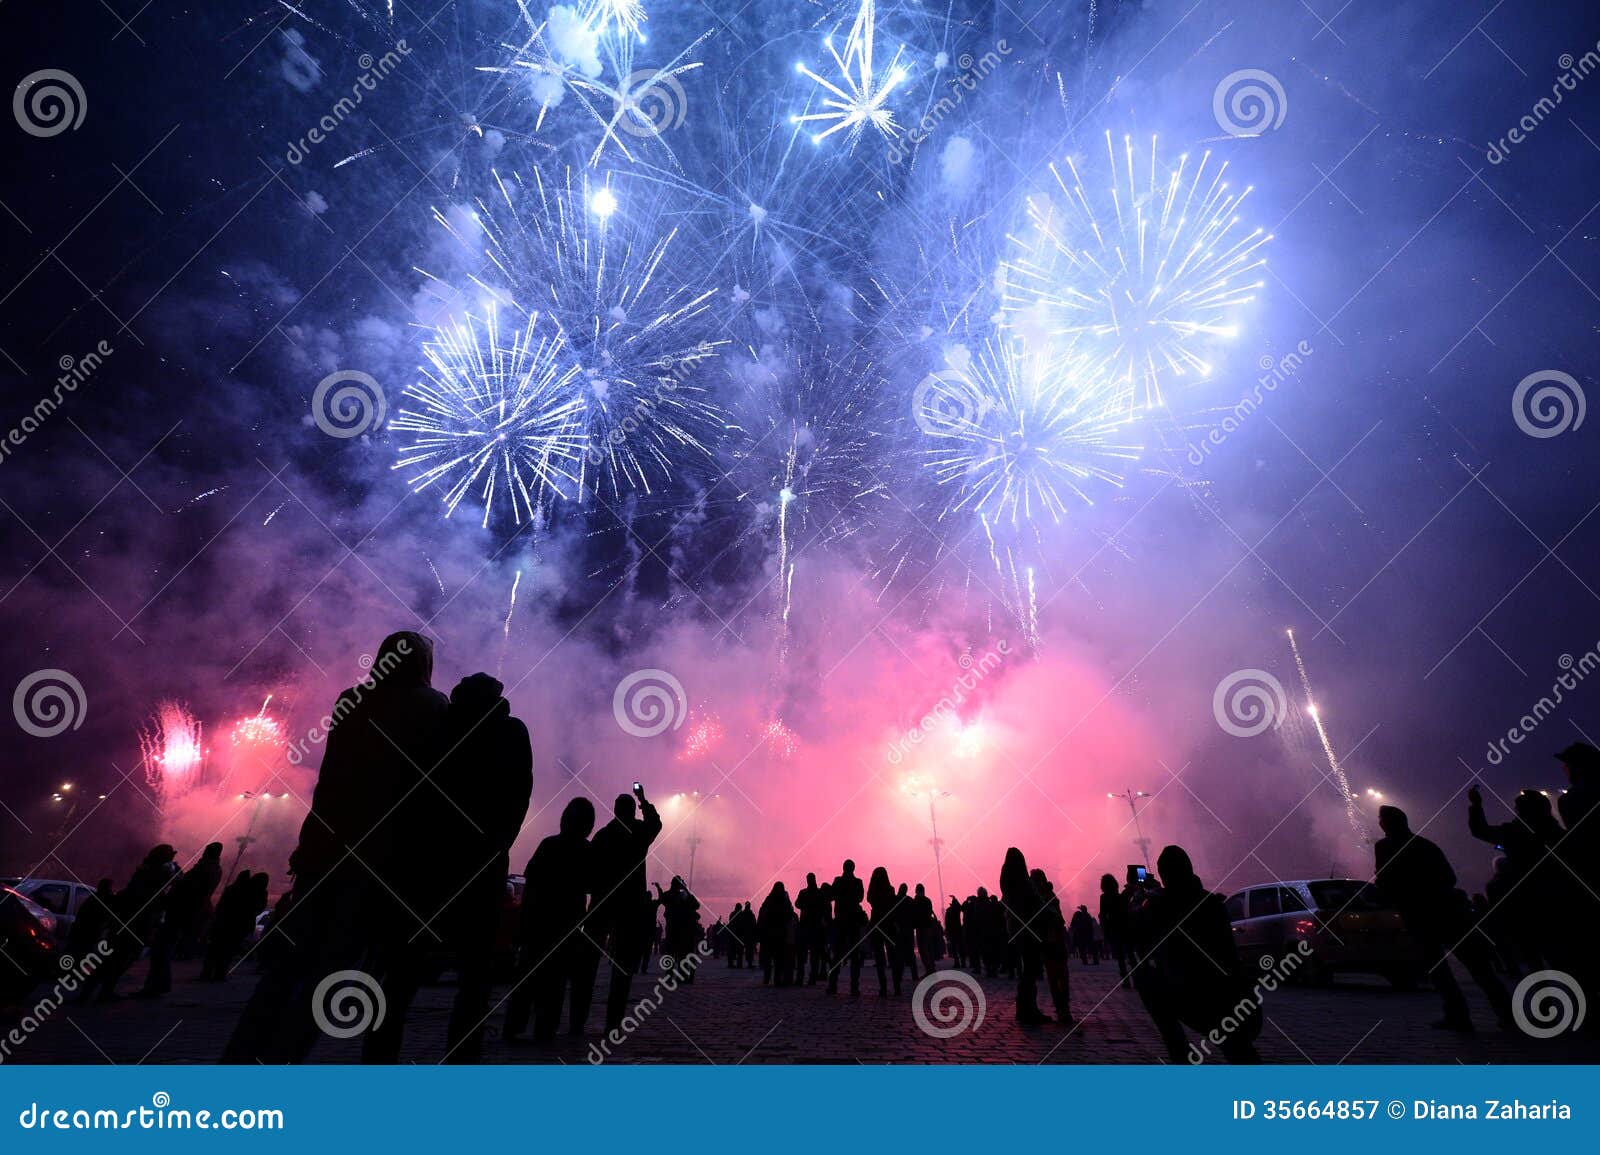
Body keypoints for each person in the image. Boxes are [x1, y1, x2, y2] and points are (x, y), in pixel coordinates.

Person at [224, 631, 449, 1063]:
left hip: (324, 850)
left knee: (286, 967)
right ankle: (285, 1060)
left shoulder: (352, 700)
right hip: (379, 860)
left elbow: (330, 781)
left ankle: (239, 1058)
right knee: (333, 972)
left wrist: (310, 841)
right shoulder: (434, 706)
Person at [366, 672, 533, 1063]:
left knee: (401, 975)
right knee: (474, 979)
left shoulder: (437, 724)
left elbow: (406, 788)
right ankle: (462, 1061)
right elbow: (519, 795)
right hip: (481, 866)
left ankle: (378, 1062)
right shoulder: (511, 731)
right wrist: (498, 845)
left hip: (425, 864)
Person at [1373, 805, 1510, 1033]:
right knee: (1479, 967)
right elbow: (1449, 877)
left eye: (1381, 819)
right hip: (1449, 913)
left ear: (1386, 823)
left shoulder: (1385, 846)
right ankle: (1507, 1013)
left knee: (1439, 970)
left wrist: (1400, 895)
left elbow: (1385, 878)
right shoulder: (1426, 845)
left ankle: (1457, 1015)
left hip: (1419, 915)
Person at [1133, 845, 1260, 1063]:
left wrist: (1143, 898)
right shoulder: (1212, 902)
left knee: (1144, 976)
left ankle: (1180, 1054)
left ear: (1164, 876)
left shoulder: (1158, 906)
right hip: (1236, 998)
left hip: (1195, 996)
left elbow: (1138, 936)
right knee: (1237, 1047)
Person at [506, 797, 595, 1043]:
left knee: (527, 977)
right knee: (556, 981)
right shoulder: (587, 851)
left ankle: (514, 1025)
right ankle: (545, 1028)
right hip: (567, 923)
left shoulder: (548, 844)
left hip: (539, 920)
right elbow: (592, 884)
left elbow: (531, 879)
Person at [1466, 786, 1570, 972]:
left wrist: (1476, 805)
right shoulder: (1557, 834)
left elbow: (1480, 830)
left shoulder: (1514, 833)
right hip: (1559, 902)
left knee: (1534, 958)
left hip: (1526, 905)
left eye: (1518, 808)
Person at [585, 786, 662, 1034]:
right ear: (633, 811)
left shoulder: (602, 836)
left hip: (602, 902)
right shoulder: (639, 833)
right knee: (622, 968)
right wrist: (643, 800)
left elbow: (589, 873)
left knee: (587, 964)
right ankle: (613, 1021)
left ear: (615, 810)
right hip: (630, 906)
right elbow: (656, 824)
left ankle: (578, 1019)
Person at [80, 843, 178, 1002]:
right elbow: (151, 898)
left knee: (112, 960)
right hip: (133, 925)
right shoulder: (152, 876)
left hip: (127, 923)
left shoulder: (146, 872)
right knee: (117, 960)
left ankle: (92, 992)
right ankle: (99, 992)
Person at [139, 841, 224, 997]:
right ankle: (156, 985)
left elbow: (189, 888)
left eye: (207, 850)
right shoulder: (211, 869)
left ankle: (157, 986)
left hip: (180, 911)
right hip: (184, 912)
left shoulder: (205, 869)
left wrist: (176, 878)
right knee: (163, 949)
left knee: (161, 950)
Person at [999, 848, 1048, 1025]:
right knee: (1031, 970)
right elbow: (1035, 903)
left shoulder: (1007, 881)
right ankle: (1028, 1009)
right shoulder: (1023, 883)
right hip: (1029, 929)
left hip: (1016, 929)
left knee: (1027, 970)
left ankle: (1025, 1008)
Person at [1033, 870, 1072, 1025]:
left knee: (1061, 975)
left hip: (1055, 939)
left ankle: (1064, 1006)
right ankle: (1061, 1007)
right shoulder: (1046, 896)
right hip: (1047, 941)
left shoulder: (1048, 897)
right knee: (1054, 976)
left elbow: (1057, 919)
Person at [826, 860, 865, 996]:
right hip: (853, 921)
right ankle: (854, 987)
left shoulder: (838, 881)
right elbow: (860, 898)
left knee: (837, 954)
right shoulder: (858, 882)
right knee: (854, 955)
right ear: (853, 868)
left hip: (841, 921)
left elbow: (831, 896)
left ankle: (833, 985)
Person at [658, 876, 702, 979]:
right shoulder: (684, 896)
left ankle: (669, 975)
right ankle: (681, 975)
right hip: (681, 930)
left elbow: (662, 899)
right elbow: (696, 905)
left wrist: (659, 889)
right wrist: (686, 890)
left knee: (671, 954)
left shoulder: (668, 895)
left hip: (671, 929)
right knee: (682, 954)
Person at [757, 881, 795, 986]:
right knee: (778, 958)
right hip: (780, 933)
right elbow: (790, 914)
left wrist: (761, 928)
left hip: (769, 933)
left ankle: (767, 978)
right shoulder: (785, 900)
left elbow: (762, 913)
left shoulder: (769, 899)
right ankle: (777, 979)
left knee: (768, 957)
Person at [794, 873, 827, 985]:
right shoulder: (819, 893)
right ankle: (812, 977)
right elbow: (824, 908)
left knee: (802, 954)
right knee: (814, 954)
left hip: (806, 926)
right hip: (815, 926)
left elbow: (797, 904)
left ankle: (801, 977)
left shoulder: (803, 893)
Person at [1097, 873, 1130, 985]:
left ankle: (1125, 978)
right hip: (1124, 926)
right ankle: (1137, 976)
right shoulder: (1120, 896)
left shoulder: (1103, 897)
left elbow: (1103, 914)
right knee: (1129, 953)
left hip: (1113, 927)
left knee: (1120, 956)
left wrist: (1104, 930)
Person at [912, 884, 938, 975]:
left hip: (921, 927)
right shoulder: (927, 900)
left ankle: (929, 969)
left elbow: (915, 914)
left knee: (923, 949)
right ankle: (931, 968)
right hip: (927, 927)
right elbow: (929, 912)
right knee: (928, 948)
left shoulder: (917, 901)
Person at [944, 896, 963, 968]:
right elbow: (960, 907)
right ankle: (962, 962)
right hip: (958, 930)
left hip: (952, 931)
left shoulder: (949, 910)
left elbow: (947, 921)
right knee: (959, 947)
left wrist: (947, 930)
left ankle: (957, 962)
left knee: (954, 947)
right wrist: (955, 899)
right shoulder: (957, 910)